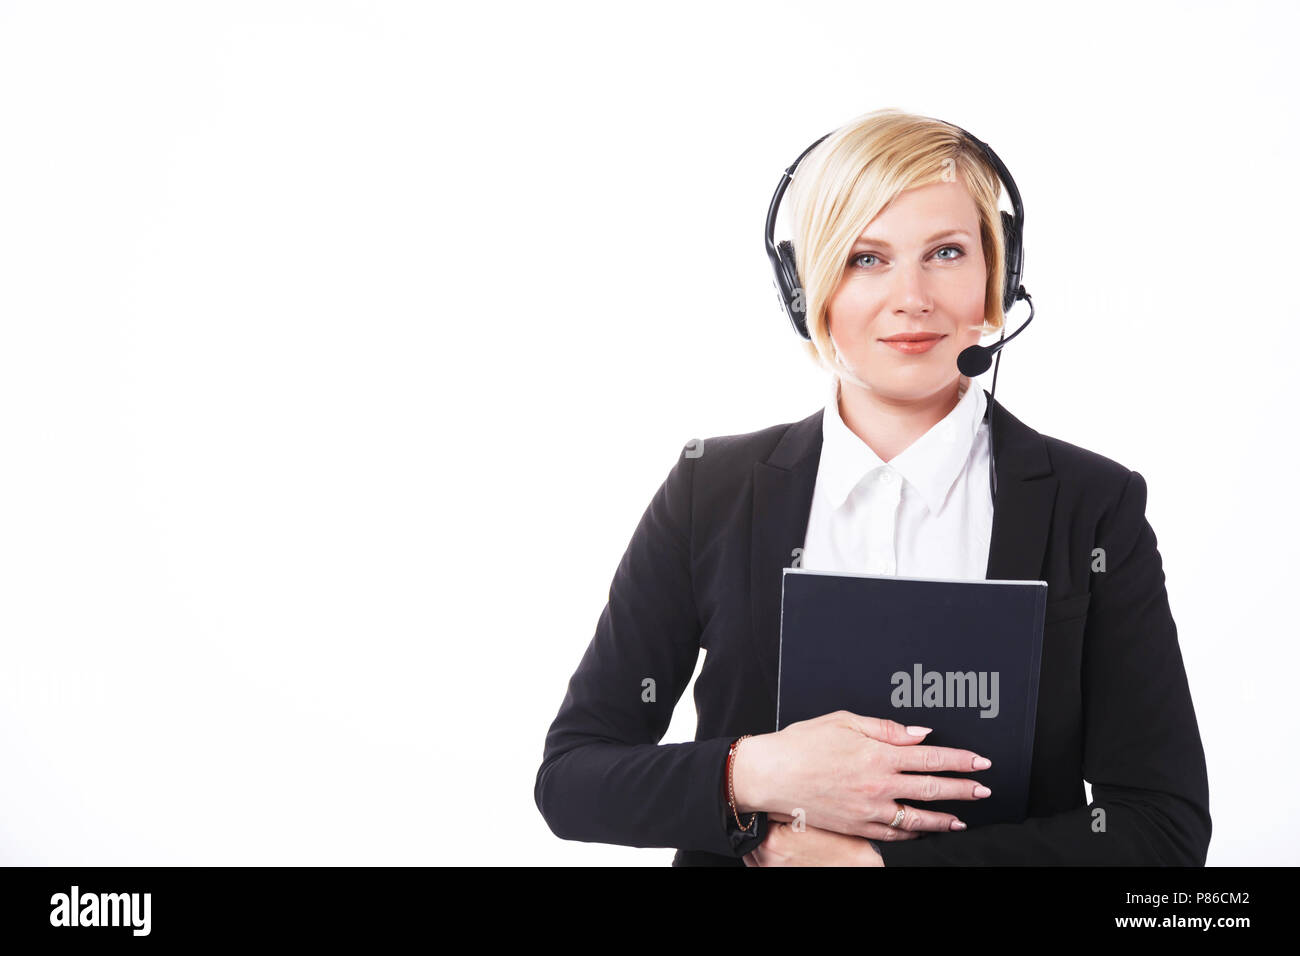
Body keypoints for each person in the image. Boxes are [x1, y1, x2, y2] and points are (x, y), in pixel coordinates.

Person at [532, 108, 1211, 866]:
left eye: (947, 252)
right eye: (865, 258)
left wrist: (877, 868)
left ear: (999, 274)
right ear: (805, 287)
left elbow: (1161, 830)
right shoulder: (710, 491)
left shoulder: (1093, 506)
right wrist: (755, 772)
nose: (911, 297)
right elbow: (574, 778)